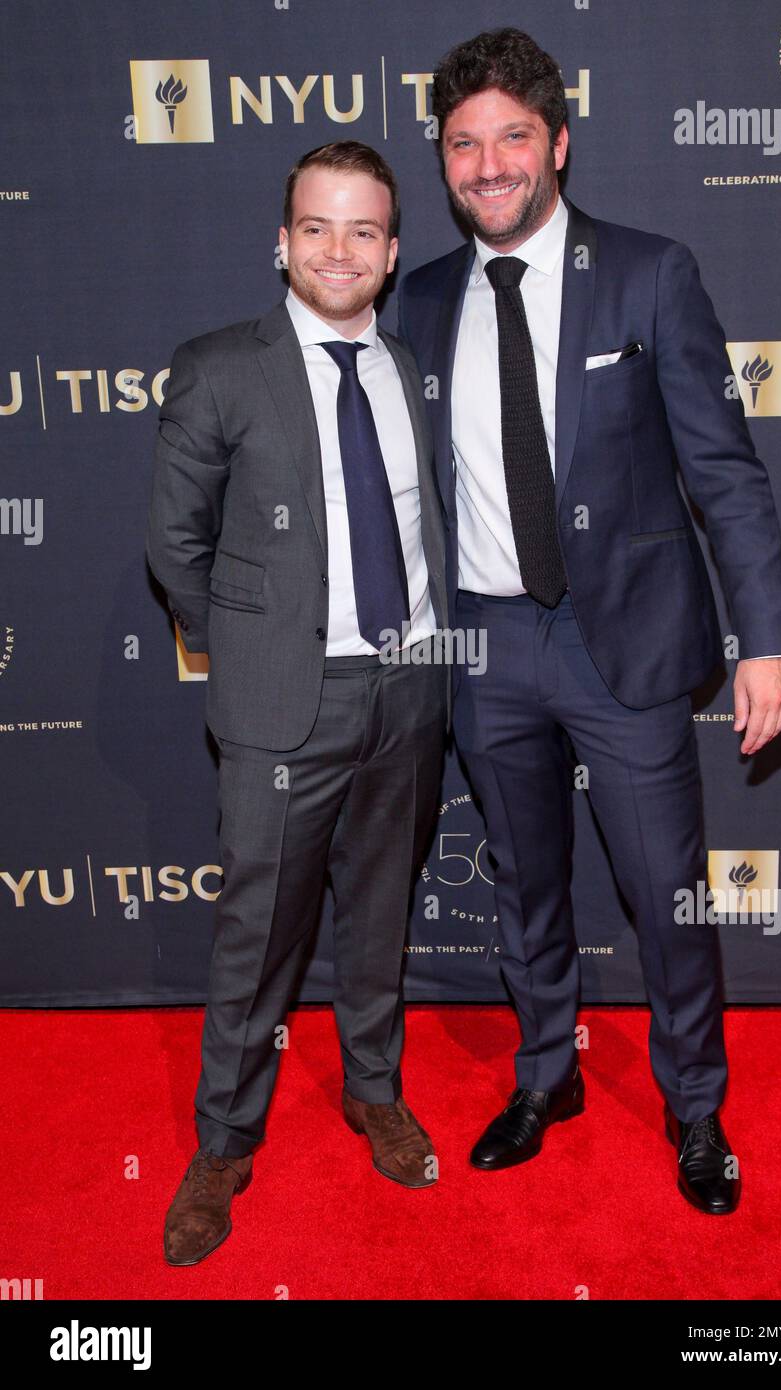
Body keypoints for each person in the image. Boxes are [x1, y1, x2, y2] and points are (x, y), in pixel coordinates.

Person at [398, 29, 781, 1214]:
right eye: (463, 143)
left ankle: (692, 1105)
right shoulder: (416, 299)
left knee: (664, 892)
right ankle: (542, 1076)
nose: (487, 163)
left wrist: (766, 637)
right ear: (444, 162)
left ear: (557, 142)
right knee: (523, 883)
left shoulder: (649, 273)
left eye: (510, 136)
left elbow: (723, 470)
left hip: (619, 645)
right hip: (483, 647)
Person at [146, 140, 449, 1266]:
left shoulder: (411, 371)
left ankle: (373, 1088)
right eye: (316, 227)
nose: (338, 249)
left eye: (362, 229)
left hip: (409, 691)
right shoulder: (220, 367)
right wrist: (253, 656)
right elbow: (173, 547)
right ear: (280, 242)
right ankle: (223, 1142)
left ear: (391, 248)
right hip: (285, 704)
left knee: (380, 917)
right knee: (255, 941)